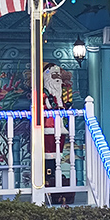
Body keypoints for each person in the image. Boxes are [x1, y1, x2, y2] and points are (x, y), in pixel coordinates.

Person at [43, 62, 74, 205]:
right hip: (48, 127)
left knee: (58, 153)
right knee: (48, 154)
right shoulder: (45, 93)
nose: (57, 79)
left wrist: (67, 106)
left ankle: (57, 178)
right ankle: (48, 180)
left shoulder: (62, 93)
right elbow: (44, 107)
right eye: (54, 76)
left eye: (58, 76)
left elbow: (65, 106)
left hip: (60, 127)